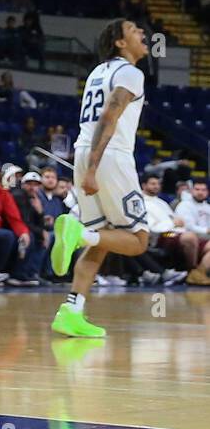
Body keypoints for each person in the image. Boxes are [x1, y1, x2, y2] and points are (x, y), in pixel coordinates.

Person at [49, 20, 153, 337]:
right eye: (135, 30)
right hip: (109, 156)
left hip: (84, 152)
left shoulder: (97, 71)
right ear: (120, 43)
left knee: (102, 239)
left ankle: (71, 311)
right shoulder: (131, 73)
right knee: (138, 241)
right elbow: (110, 113)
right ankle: (78, 234)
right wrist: (95, 167)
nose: (143, 35)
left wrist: (89, 166)